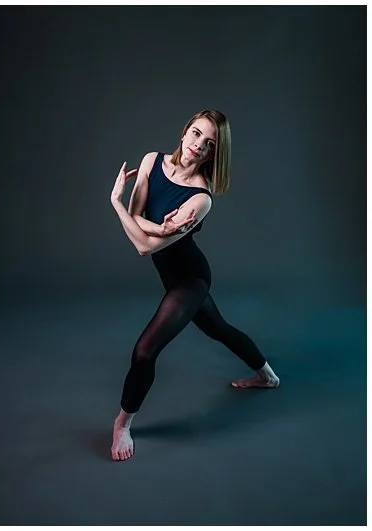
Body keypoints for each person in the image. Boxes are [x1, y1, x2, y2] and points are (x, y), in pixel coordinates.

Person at [106, 109, 280, 461]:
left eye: (210, 143)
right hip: (174, 274)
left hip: (190, 280)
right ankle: (268, 376)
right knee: (218, 328)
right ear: (185, 131)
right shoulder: (152, 161)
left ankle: (122, 425)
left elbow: (142, 246)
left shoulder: (201, 199)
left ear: (215, 153)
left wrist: (116, 205)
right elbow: (141, 218)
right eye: (197, 134)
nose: (199, 145)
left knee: (144, 351)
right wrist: (156, 226)